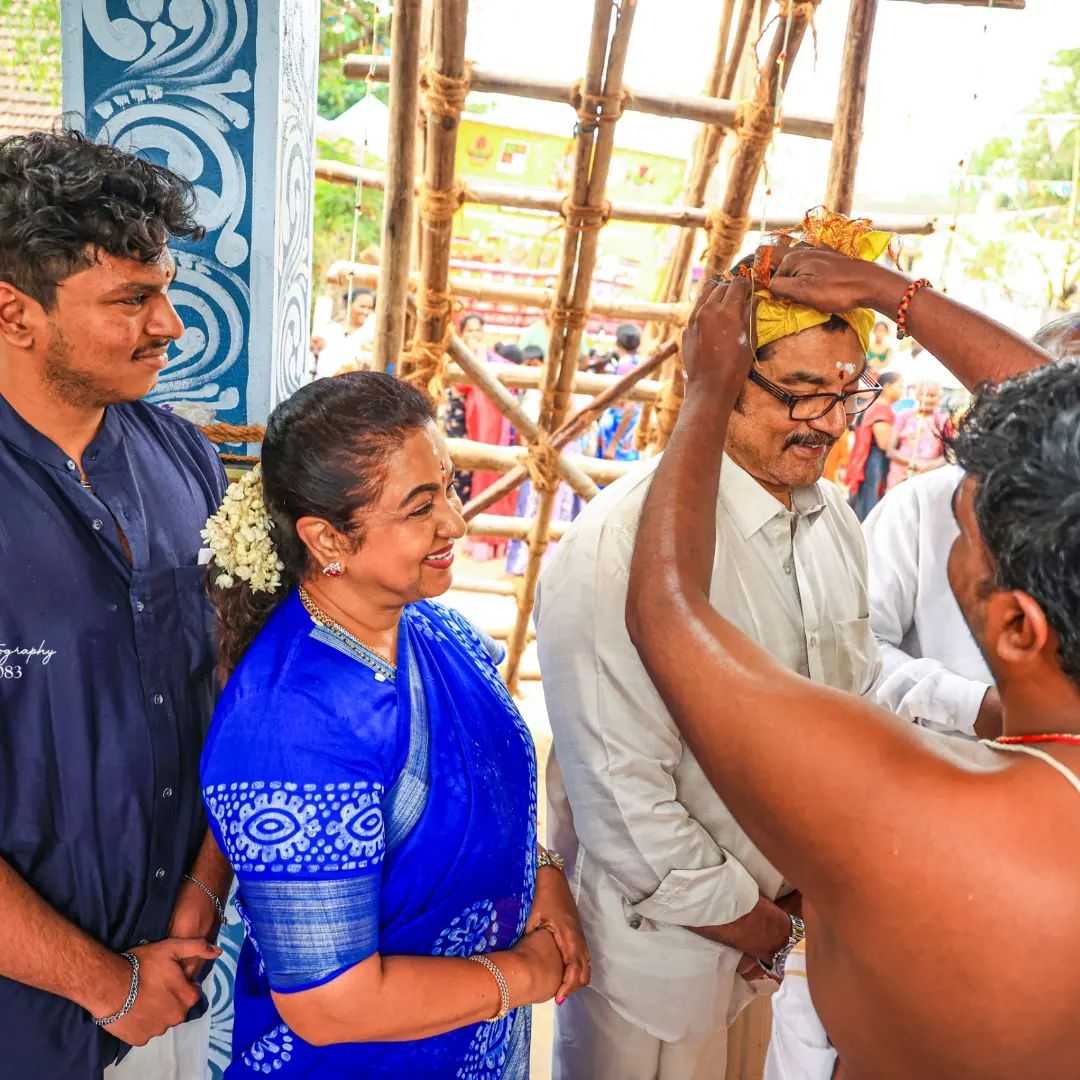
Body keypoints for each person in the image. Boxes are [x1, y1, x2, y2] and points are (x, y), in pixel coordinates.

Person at [625, 246, 1077, 1080]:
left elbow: (667, 616)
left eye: (970, 537)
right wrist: (887, 292)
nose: (829, 420)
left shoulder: (913, 810)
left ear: (1017, 626)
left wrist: (704, 395)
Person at [535, 212, 893, 1080]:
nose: (830, 424)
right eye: (800, 391)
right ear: (724, 374)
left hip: (771, 949)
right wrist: (764, 925)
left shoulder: (832, 519)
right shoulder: (617, 548)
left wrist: (803, 901)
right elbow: (623, 804)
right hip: (662, 967)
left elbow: (854, 700)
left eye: (848, 393)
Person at [199, 372, 588, 1078]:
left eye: (446, 486)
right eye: (419, 508)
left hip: (470, 1042)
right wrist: (520, 978)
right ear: (325, 538)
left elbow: (484, 797)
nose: (455, 523)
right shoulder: (291, 728)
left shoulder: (435, 631)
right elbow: (329, 1005)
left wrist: (541, 871)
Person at [0, 130, 230, 1077]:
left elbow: (230, 686)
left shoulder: (183, 459)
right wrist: (106, 985)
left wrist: (203, 894)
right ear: (14, 314)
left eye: (164, 289)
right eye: (131, 300)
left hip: (172, 978)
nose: (170, 324)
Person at [846, 369, 902, 520]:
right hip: (874, 463)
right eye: (899, 386)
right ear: (888, 387)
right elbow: (884, 443)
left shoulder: (874, 404)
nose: (902, 390)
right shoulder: (881, 408)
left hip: (871, 462)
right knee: (870, 506)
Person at [885, 379, 947, 489]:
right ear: (917, 396)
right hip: (901, 476)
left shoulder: (943, 420)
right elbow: (891, 451)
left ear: (939, 398)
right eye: (923, 394)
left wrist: (931, 466)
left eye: (932, 395)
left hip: (929, 477)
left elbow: (948, 455)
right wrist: (915, 463)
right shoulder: (905, 415)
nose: (927, 399)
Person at [597, 323, 644, 461]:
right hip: (629, 431)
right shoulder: (639, 362)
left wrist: (613, 444)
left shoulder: (625, 365)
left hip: (618, 432)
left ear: (618, 342)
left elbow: (629, 406)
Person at [315, 288, 377, 378]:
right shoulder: (332, 330)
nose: (366, 311)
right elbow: (322, 364)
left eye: (370, 308)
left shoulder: (372, 331)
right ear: (349, 304)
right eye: (362, 306)